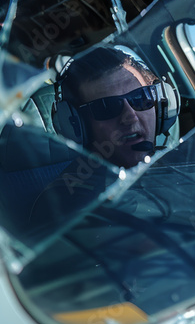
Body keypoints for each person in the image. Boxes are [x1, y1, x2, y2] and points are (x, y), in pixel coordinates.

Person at [28, 46, 172, 231]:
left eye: (141, 98)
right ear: (77, 126)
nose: (131, 116)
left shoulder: (180, 163)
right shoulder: (66, 204)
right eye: (106, 107)